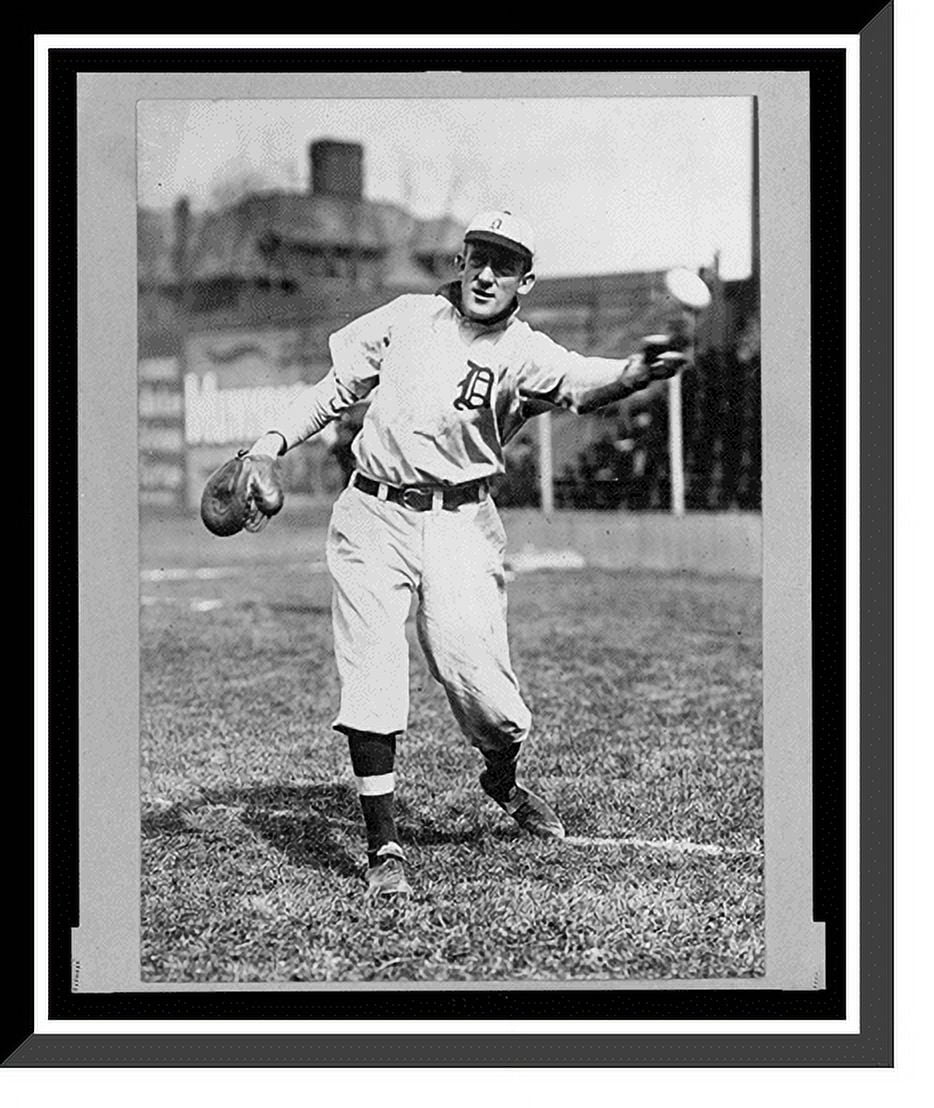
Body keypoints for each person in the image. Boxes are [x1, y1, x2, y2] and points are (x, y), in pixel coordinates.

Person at [246, 210, 685, 896]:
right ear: (460, 262)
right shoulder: (406, 317)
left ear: (525, 282)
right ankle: (384, 846)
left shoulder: (524, 351)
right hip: (373, 512)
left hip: (460, 521)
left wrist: (635, 372)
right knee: (373, 672)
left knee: (489, 701)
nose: (486, 276)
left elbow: (580, 381)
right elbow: (334, 389)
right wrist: (267, 446)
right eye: (478, 258)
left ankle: (501, 778)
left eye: (504, 266)